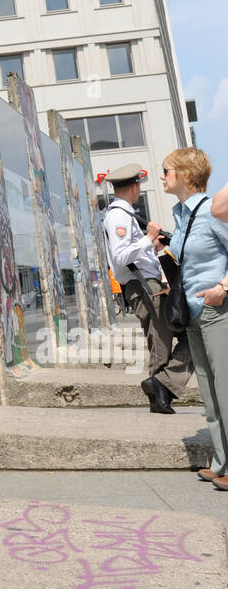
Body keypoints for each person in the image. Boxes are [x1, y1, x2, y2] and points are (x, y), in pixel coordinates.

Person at [157, 149, 228, 488]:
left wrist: (222, 288)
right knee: (210, 391)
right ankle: (221, 461)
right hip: (194, 314)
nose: (162, 176)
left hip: (217, 310)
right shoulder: (182, 215)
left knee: (226, 390)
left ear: (186, 173)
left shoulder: (212, 211)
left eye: (166, 170)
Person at [102, 163, 192, 413]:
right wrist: (148, 238)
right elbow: (120, 257)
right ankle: (160, 391)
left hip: (147, 283)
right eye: (139, 185)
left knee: (166, 339)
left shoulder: (125, 214)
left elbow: (132, 254)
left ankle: (160, 389)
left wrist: (151, 248)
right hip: (141, 286)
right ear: (134, 186)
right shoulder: (118, 216)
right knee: (164, 341)